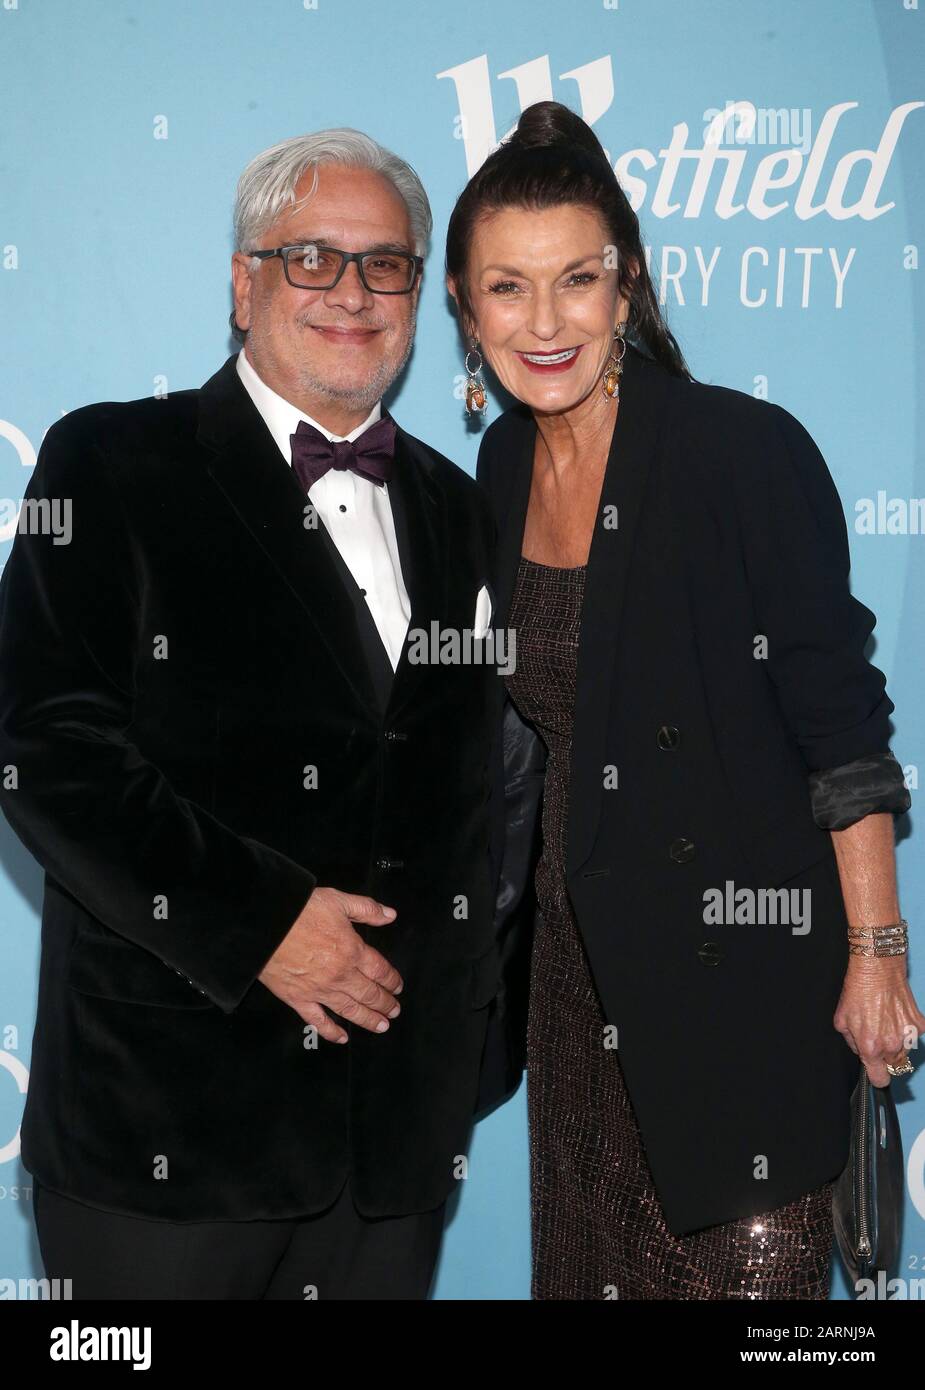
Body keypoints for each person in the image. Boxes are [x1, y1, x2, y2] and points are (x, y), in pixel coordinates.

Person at [0, 128, 501, 1300]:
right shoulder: (110, 461)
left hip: (389, 1159)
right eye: (310, 257)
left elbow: (477, 796)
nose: (351, 292)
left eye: (385, 265)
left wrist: (464, 1037)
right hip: (164, 1146)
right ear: (243, 282)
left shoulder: (457, 507)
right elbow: (46, 751)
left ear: (418, 296)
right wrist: (262, 922)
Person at [449, 100, 922, 1300]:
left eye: (576, 281)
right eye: (507, 288)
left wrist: (875, 953)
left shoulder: (739, 452)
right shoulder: (499, 470)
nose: (543, 322)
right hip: (574, 973)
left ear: (627, 287)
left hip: (741, 974)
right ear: (464, 309)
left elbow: (843, 729)